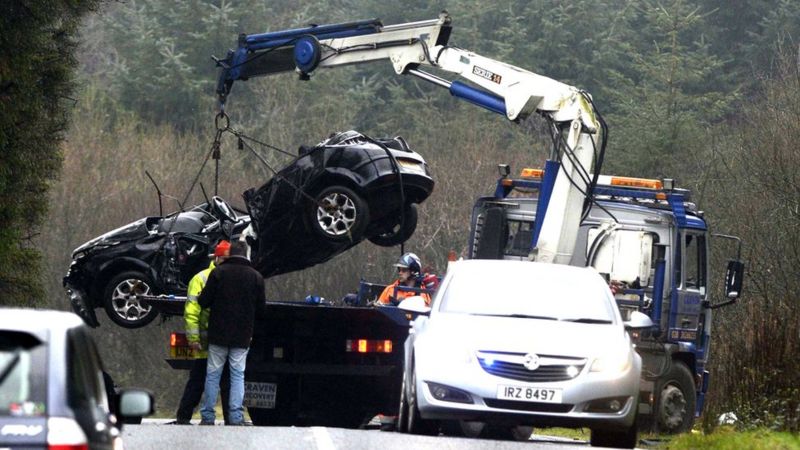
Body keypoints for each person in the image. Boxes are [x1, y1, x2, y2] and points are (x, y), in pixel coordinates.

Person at [198, 240, 267, 426]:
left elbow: (203, 302)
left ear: (229, 254)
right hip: (242, 335)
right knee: (237, 375)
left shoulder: (218, 273)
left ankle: (207, 415)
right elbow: (261, 310)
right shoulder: (256, 277)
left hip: (218, 333)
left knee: (213, 374)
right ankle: (236, 416)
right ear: (246, 255)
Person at [173, 240, 232, 425]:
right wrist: (193, 338)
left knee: (211, 380)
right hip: (210, 340)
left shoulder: (210, 277)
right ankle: (185, 416)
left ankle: (186, 416)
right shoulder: (201, 279)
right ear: (217, 258)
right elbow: (192, 311)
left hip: (216, 338)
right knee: (202, 379)